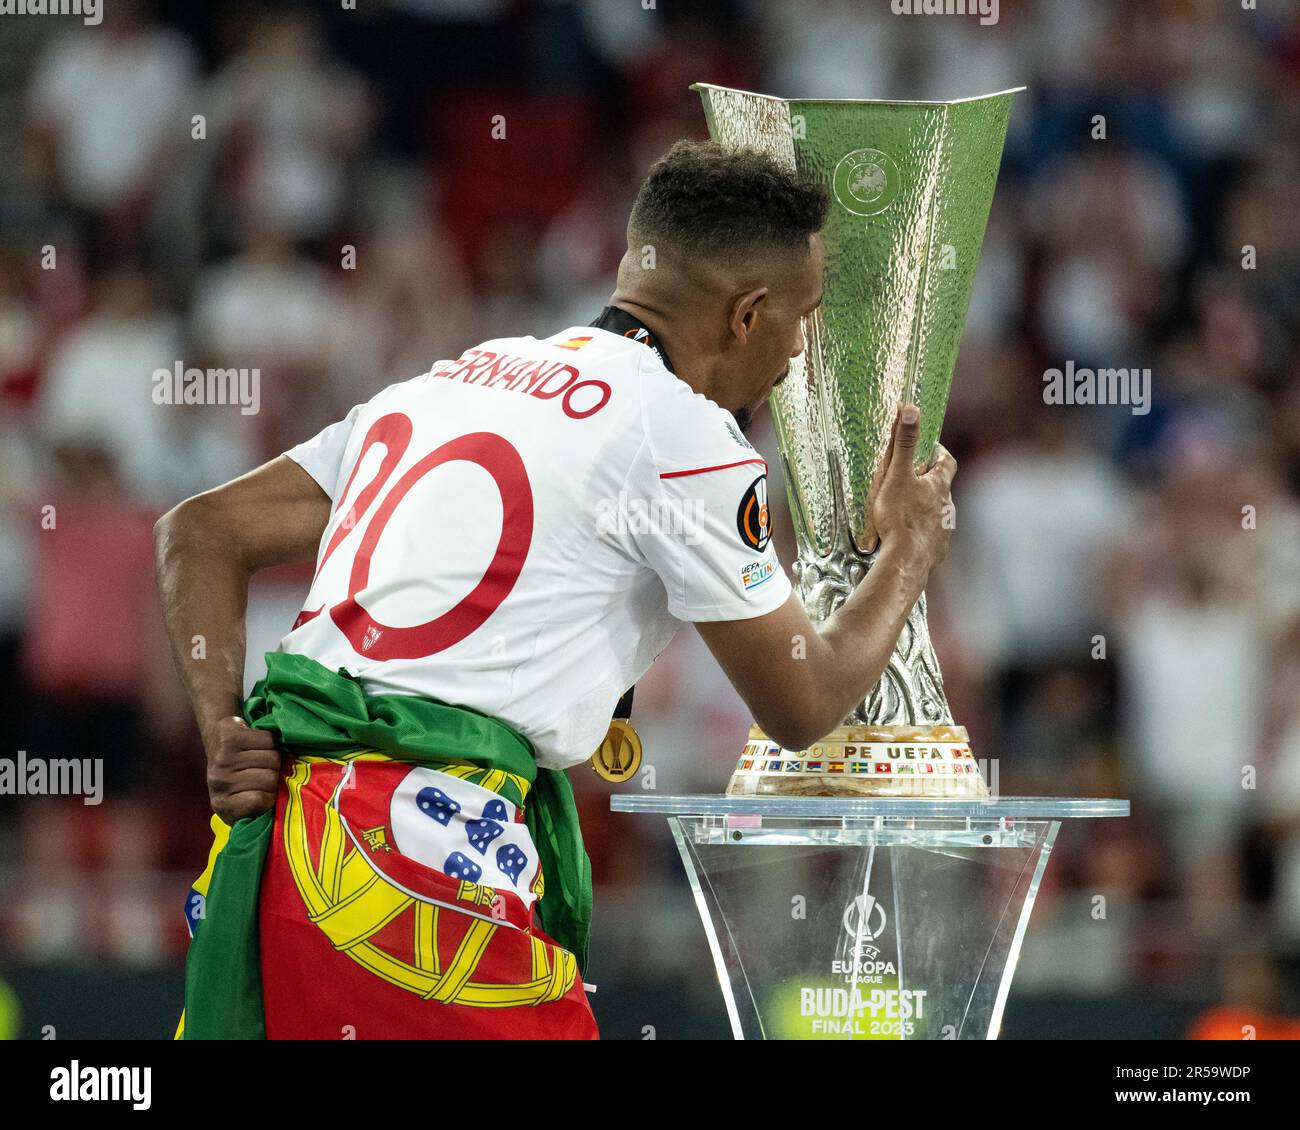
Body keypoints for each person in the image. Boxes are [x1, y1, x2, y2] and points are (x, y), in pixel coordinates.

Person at [154, 140, 958, 1040]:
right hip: (417, 854)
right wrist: (910, 551)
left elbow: (199, 530)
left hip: (284, 848)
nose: (801, 349)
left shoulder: (452, 380)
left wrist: (224, 726)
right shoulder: (683, 436)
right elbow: (805, 700)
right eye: (803, 318)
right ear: (748, 314)